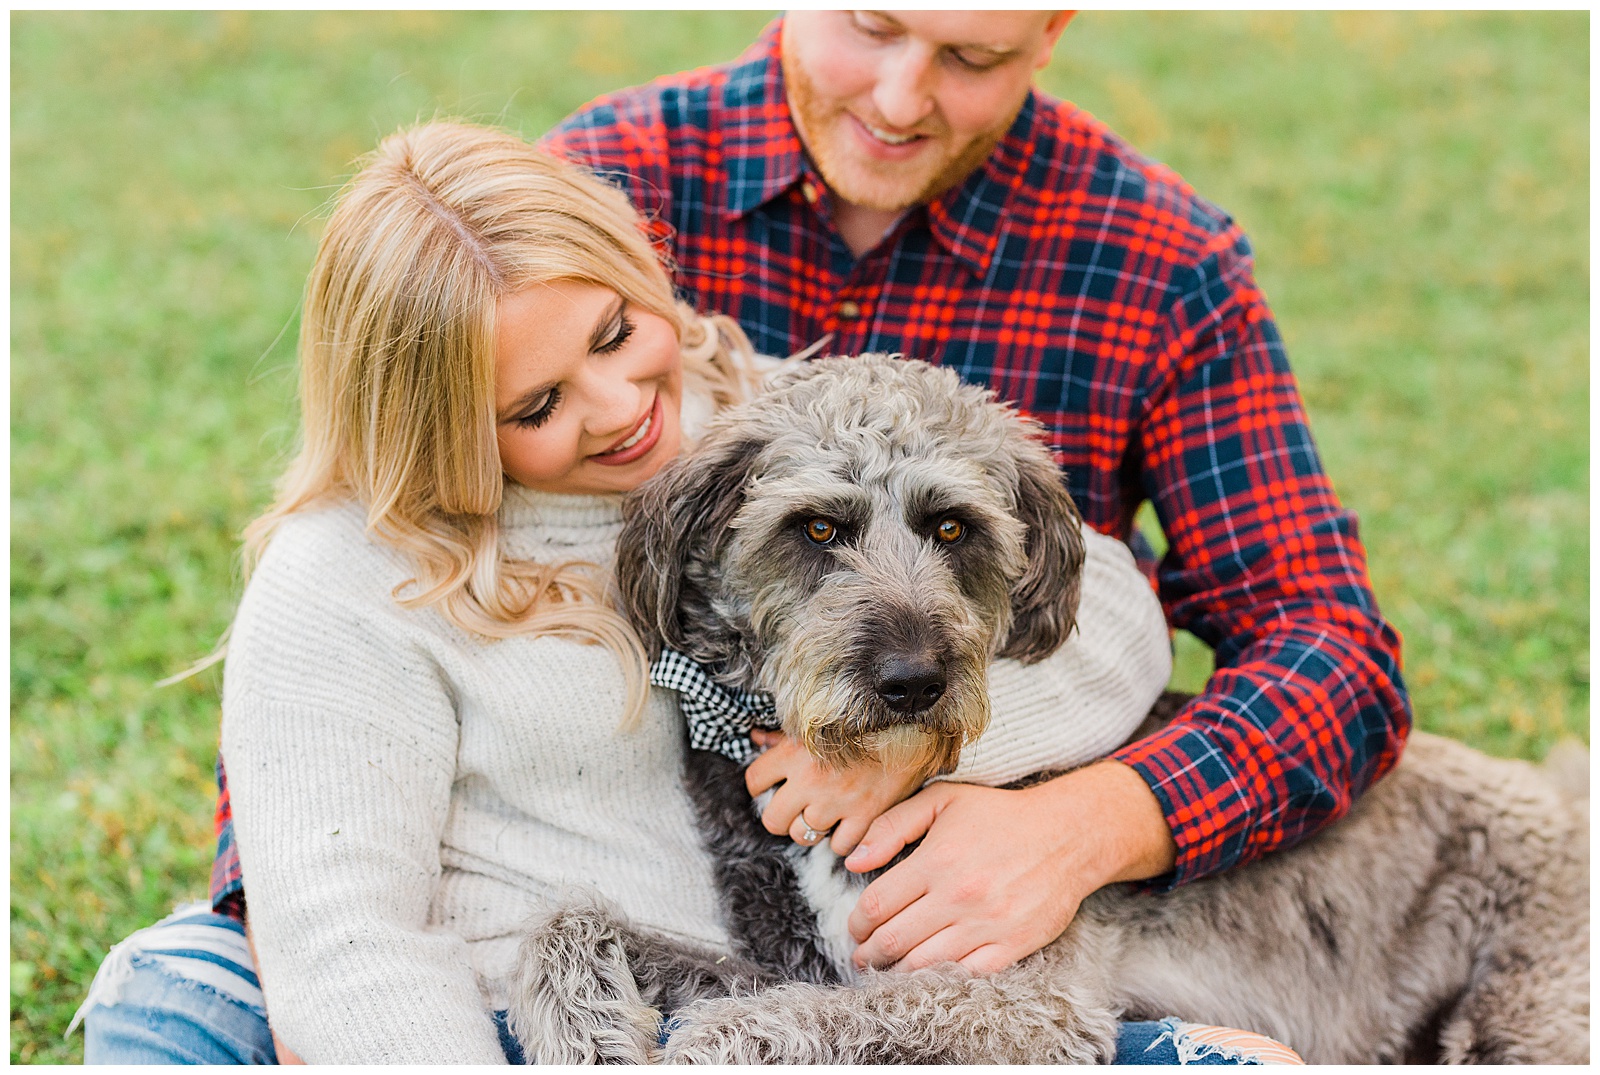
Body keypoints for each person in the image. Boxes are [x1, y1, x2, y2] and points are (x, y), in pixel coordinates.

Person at [74, 120, 1197, 1063]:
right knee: (178, 988)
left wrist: (919, 740)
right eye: (537, 405)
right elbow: (345, 937)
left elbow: (1101, 605)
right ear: (436, 430)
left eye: (616, 332)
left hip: (795, 1002)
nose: (620, 408)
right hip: (509, 1018)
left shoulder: (761, 412)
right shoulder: (346, 574)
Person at [539, 7, 1411, 977]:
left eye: (972, 57)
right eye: (871, 26)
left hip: (995, 920)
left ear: (1051, 31)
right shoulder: (599, 192)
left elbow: (1332, 650)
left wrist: (1086, 826)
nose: (899, 100)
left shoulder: (1161, 264)